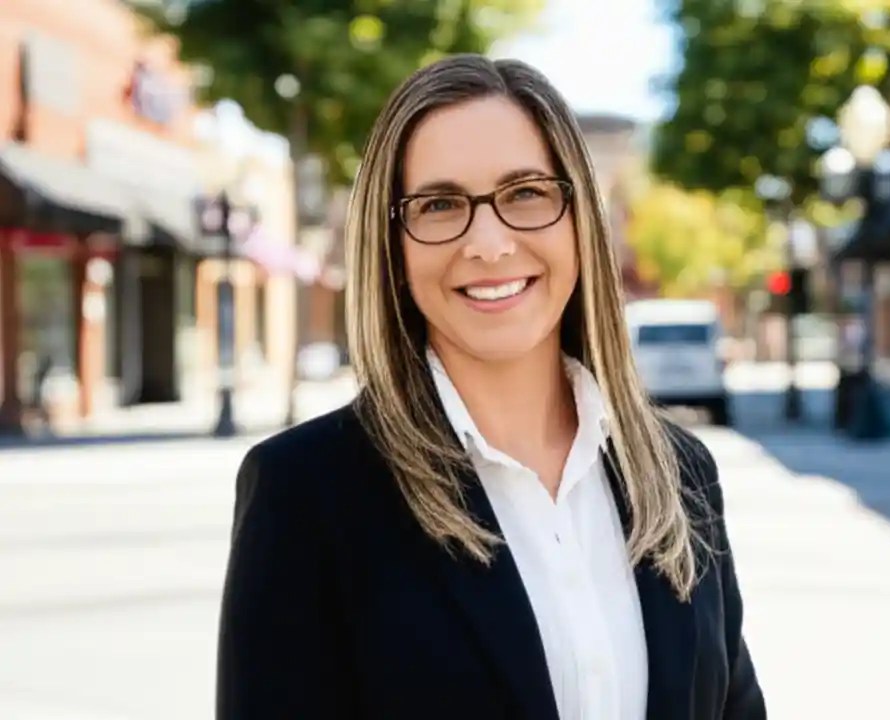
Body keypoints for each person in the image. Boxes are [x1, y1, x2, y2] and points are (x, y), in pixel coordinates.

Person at [215, 54, 766, 720]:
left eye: (526, 193)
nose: (489, 242)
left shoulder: (679, 474)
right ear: (394, 247)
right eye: (439, 204)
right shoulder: (306, 494)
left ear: (580, 219)